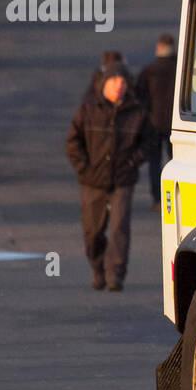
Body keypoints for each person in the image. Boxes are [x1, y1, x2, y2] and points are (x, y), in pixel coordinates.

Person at [65, 61, 157, 291]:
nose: (119, 86)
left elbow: (150, 142)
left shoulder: (137, 113)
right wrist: (84, 167)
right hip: (91, 181)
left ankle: (115, 274)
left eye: (123, 81)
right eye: (114, 81)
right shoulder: (87, 109)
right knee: (92, 230)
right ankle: (97, 268)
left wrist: (133, 161)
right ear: (104, 83)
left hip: (122, 180)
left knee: (119, 228)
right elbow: (72, 142)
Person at [136, 34, 177, 210]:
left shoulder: (149, 70)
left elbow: (139, 95)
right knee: (175, 160)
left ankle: (158, 199)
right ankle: (177, 197)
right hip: (175, 124)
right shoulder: (180, 68)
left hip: (154, 123)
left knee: (155, 162)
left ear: (158, 48)